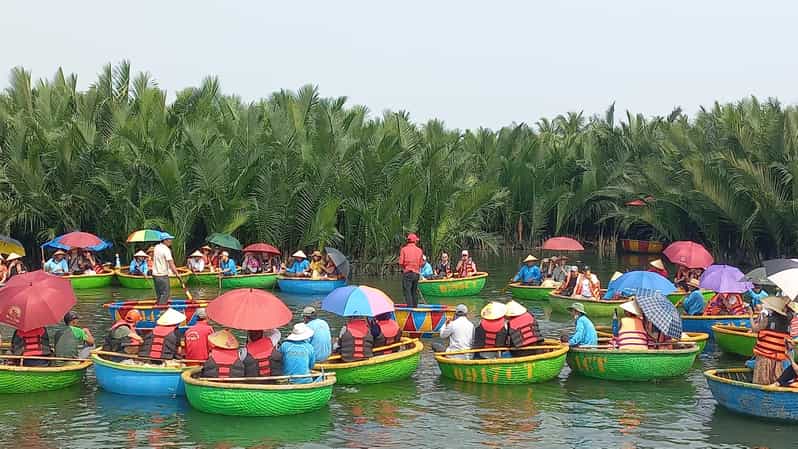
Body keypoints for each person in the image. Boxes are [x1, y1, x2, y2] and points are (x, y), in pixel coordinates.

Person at [752, 296, 793, 385]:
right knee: (775, 380)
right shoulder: (787, 324)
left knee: (762, 382)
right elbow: (789, 345)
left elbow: (754, 329)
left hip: (765, 358)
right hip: (778, 360)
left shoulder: (767, 320)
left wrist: (750, 316)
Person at [152, 232, 182, 305]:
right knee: (165, 294)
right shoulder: (166, 250)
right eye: (169, 239)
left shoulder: (156, 247)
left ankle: (158, 306)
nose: (171, 241)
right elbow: (171, 263)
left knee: (159, 294)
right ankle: (161, 310)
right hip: (162, 275)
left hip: (155, 275)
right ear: (164, 240)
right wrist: (177, 274)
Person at [398, 233, 423, 307]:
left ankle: (410, 309)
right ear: (415, 241)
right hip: (416, 274)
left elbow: (400, 262)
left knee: (407, 291)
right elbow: (421, 264)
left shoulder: (403, 249)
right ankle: (415, 307)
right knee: (414, 291)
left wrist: (404, 269)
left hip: (408, 273)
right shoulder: (419, 250)